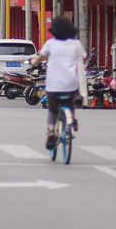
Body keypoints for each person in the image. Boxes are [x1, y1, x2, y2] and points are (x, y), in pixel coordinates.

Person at [30, 16, 86, 149]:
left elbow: (40, 58)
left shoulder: (50, 43)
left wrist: (34, 62)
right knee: (69, 102)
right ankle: (72, 120)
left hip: (53, 85)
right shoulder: (76, 44)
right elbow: (83, 57)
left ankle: (50, 130)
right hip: (71, 84)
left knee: (53, 110)